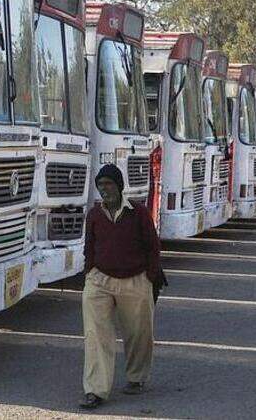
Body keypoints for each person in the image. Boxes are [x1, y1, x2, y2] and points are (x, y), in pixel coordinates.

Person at [79, 163, 164, 410]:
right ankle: (95, 390)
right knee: (96, 335)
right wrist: (90, 272)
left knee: (138, 332)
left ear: (119, 187)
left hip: (135, 279)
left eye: (109, 184)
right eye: (101, 185)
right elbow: (89, 246)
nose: (105, 190)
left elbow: (153, 247)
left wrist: (149, 276)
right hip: (99, 281)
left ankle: (136, 378)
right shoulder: (94, 214)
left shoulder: (138, 213)